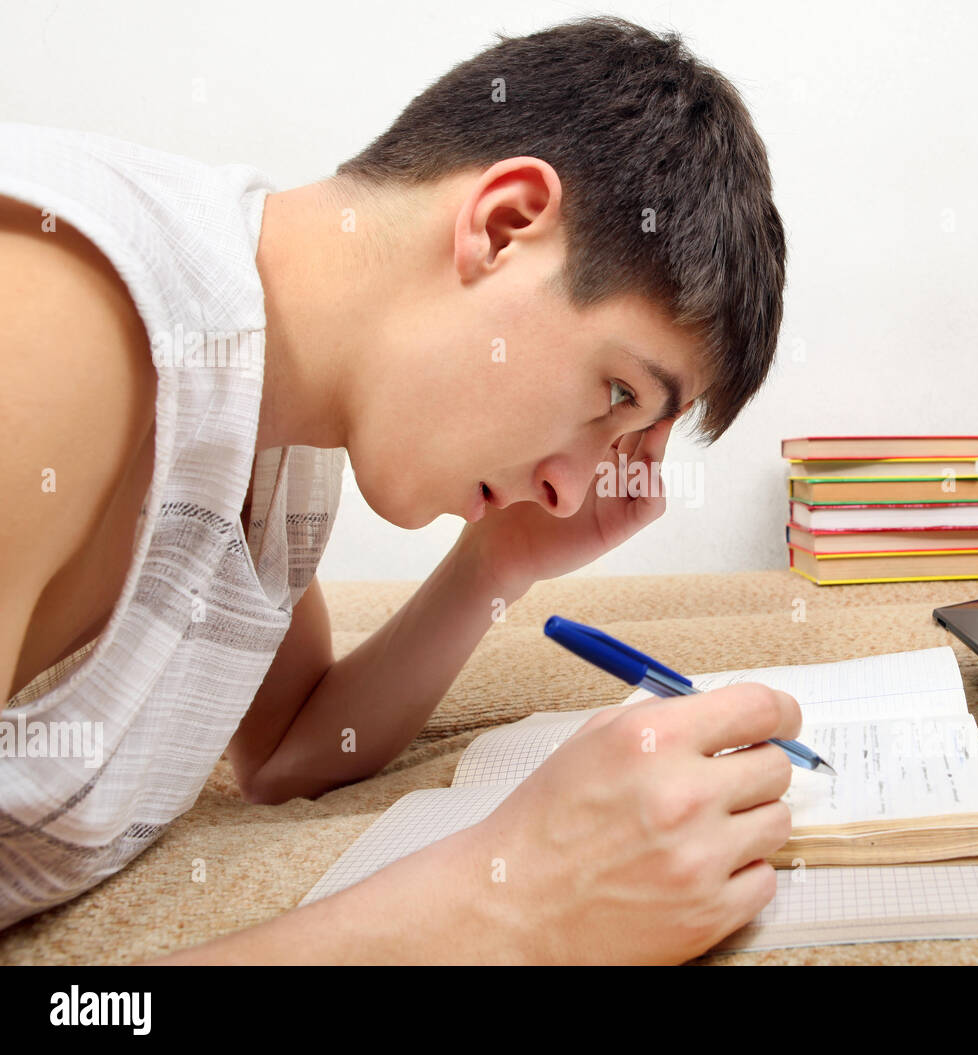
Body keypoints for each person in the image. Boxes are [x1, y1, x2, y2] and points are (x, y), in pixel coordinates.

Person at [0, 15, 794, 964]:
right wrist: (500, 914)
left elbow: (288, 750)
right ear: (503, 226)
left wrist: (494, 566)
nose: (572, 485)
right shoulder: (52, 322)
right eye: (617, 392)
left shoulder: (279, 432)